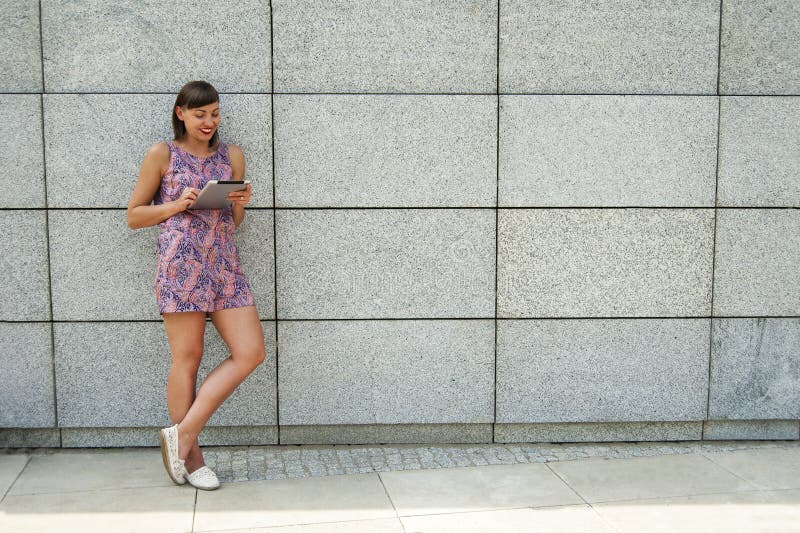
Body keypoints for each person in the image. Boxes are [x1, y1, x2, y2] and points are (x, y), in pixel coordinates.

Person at [126, 80, 266, 490]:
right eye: (200, 114)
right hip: (180, 266)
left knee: (251, 352)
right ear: (180, 112)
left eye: (215, 114)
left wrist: (239, 205)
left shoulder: (232, 156)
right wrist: (176, 204)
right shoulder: (161, 154)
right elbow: (134, 216)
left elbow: (233, 224)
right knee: (187, 359)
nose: (209, 122)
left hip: (225, 265)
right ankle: (193, 458)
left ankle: (181, 435)